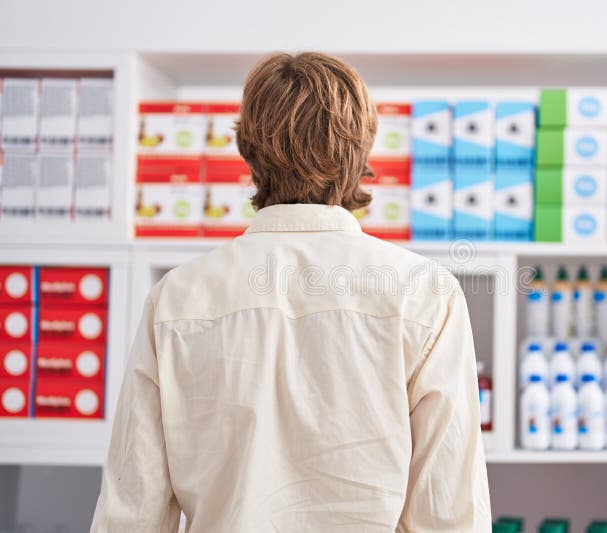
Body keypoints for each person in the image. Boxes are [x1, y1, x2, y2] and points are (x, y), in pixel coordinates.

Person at [91, 52, 491, 532]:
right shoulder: (425, 295)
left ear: (247, 149)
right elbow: (447, 514)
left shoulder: (178, 297)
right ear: (361, 150)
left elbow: (132, 514)